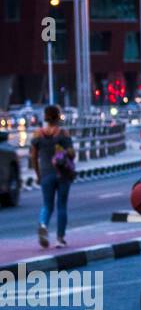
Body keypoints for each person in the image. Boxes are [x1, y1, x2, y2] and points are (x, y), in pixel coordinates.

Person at [29, 104, 76, 248]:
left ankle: (43, 224)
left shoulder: (37, 135)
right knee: (62, 205)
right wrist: (63, 152)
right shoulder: (63, 134)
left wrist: (38, 175)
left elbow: (33, 157)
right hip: (62, 173)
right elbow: (72, 154)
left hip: (46, 174)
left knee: (47, 205)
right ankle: (60, 239)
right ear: (58, 116)